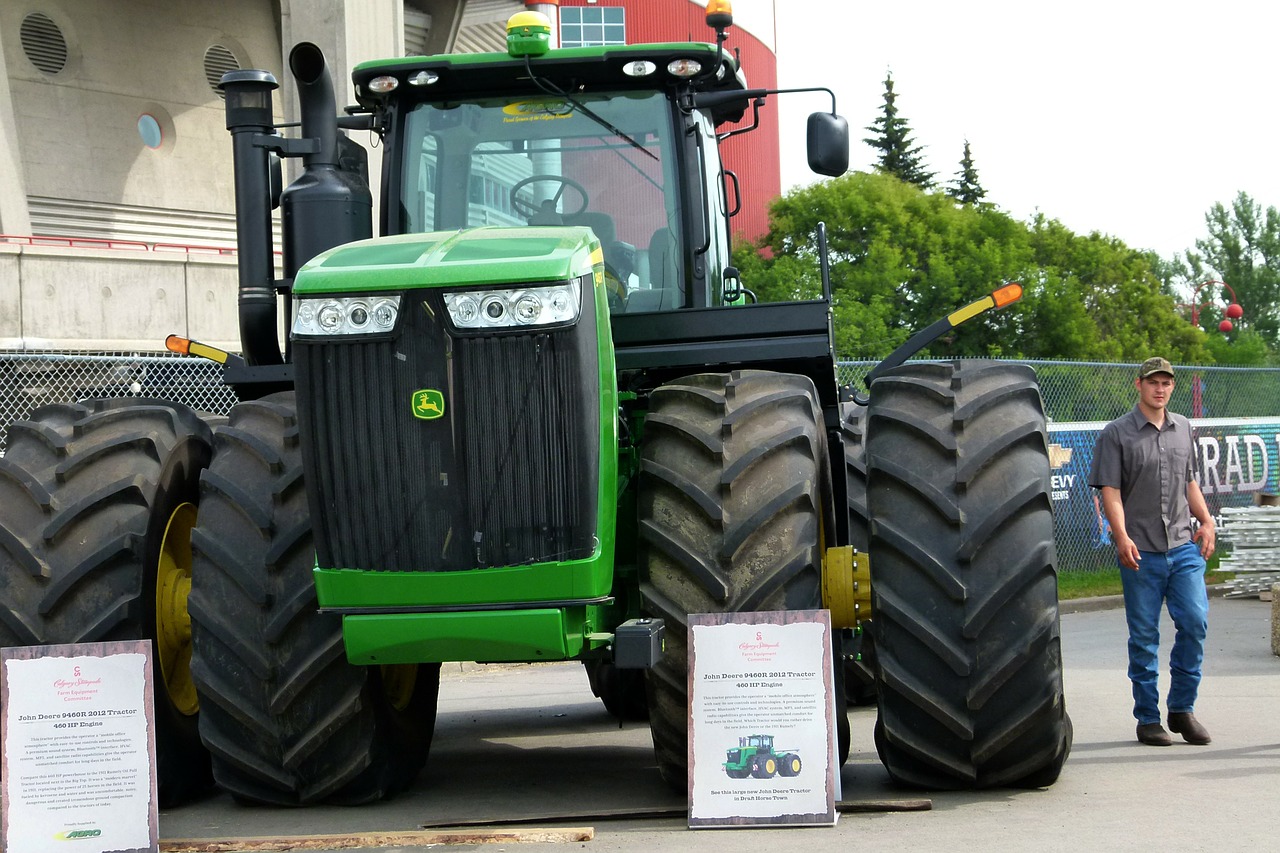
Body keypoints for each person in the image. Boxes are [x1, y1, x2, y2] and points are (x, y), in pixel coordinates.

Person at [1088, 356, 1216, 747]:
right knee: (1144, 638)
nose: (1160, 389)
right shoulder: (1117, 434)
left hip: (1183, 547)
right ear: (1138, 384)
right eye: (1153, 382)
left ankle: (1182, 710)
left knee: (1195, 623)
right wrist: (1121, 535)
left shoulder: (1183, 429)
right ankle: (1148, 719)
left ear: (1172, 388)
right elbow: (1110, 491)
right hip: (1140, 552)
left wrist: (1207, 521)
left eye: (1166, 383)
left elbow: (1189, 482)